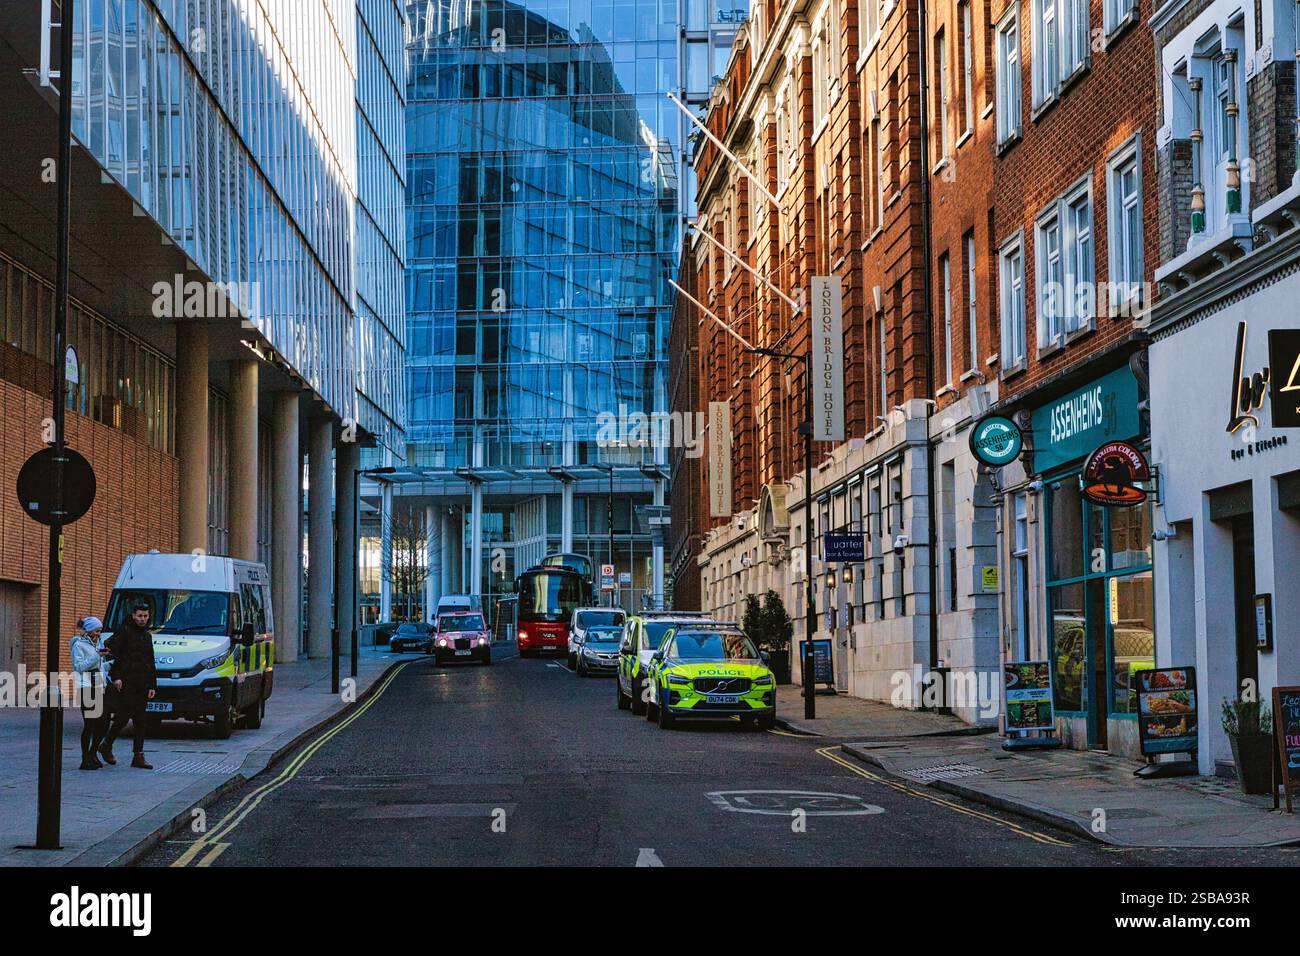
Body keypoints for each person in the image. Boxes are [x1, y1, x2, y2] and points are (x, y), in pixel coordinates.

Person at [101, 602, 158, 770]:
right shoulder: (124, 631)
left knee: (141, 720)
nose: (143, 619)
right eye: (140, 616)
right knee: (123, 716)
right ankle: (107, 744)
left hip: (142, 683)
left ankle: (138, 756)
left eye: (145, 616)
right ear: (133, 615)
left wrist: (152, 685)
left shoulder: (147, 636)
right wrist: (116, 677)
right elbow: (111, 655)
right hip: (126, 682)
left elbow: (150, 661)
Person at [69, 616, 111, 771]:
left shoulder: (97, 644)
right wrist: (97, 656)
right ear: (88, 630)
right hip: (86, 687)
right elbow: (79, 666)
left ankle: (93, 753)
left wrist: (109, 664)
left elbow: (98, 667)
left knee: (103, 722)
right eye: (97, 630)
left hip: (98, 685)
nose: (99, 634)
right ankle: (85, 758)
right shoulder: (78, 645)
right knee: (89, 725)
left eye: (100, 631)